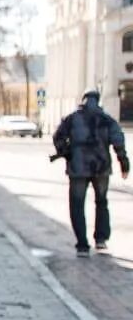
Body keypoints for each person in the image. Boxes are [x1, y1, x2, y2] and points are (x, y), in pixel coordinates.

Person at [53, 90, 129, 257]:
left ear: (83, 101)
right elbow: (118, 141)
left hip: (78, 167)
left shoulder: (72, 119)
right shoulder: (107, 120)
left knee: (77, 204)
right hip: (101, 168)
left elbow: (58, 136)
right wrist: (124, 163)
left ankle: (82, 245)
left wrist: (65, 152)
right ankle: (101, 239)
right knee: (101, 202)